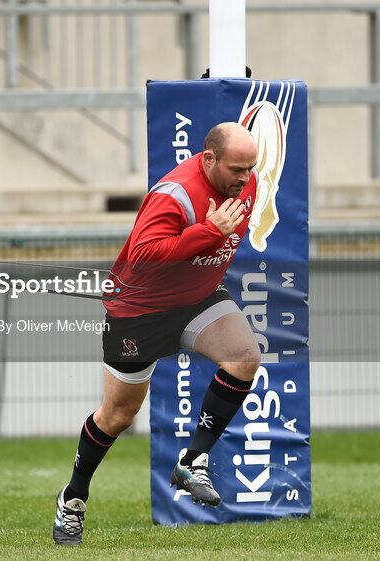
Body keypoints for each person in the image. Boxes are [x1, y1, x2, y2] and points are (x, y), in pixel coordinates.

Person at [52, 122, 262, 545]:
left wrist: (210, 244)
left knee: (244, 357)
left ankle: (194, 457)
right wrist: (208, 232)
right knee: (117, 416)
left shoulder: (248, 184)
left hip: (198, 299)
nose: (245, 178)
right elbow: (145, 257)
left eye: (250, 168)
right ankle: (73, 498)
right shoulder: (174, 194)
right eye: (237, 168)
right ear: (208, 159)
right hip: (140, 311)